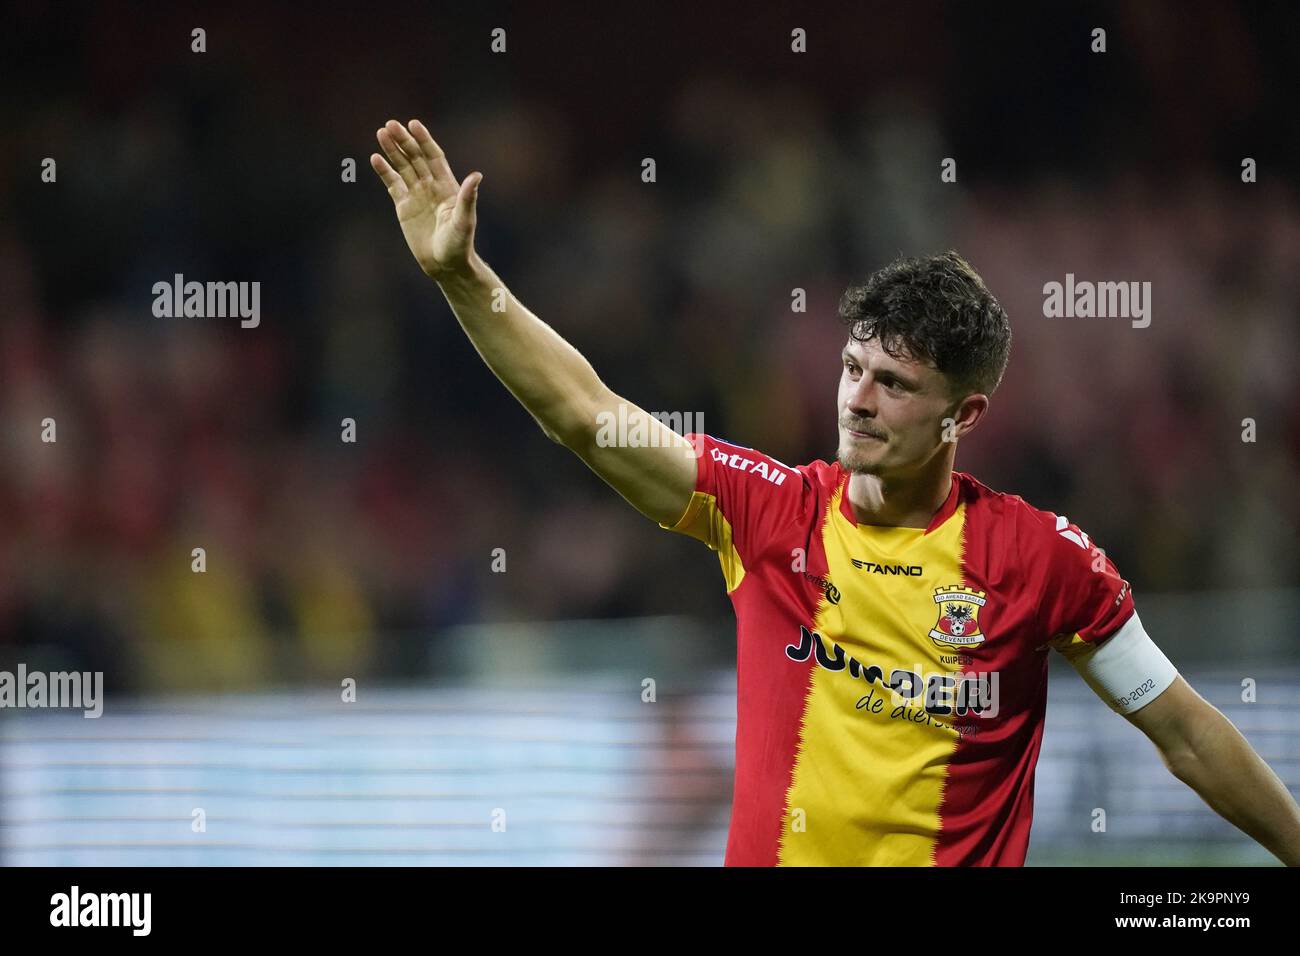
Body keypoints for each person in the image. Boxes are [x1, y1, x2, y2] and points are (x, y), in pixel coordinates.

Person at [369, 118, 1300, 866]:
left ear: (963, 415)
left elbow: (1183, 732)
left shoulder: (1045, 560)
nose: (857, 399)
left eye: (893, 384)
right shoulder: (769, 509)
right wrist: (464, 278)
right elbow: (584, 412)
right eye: (854, 368)